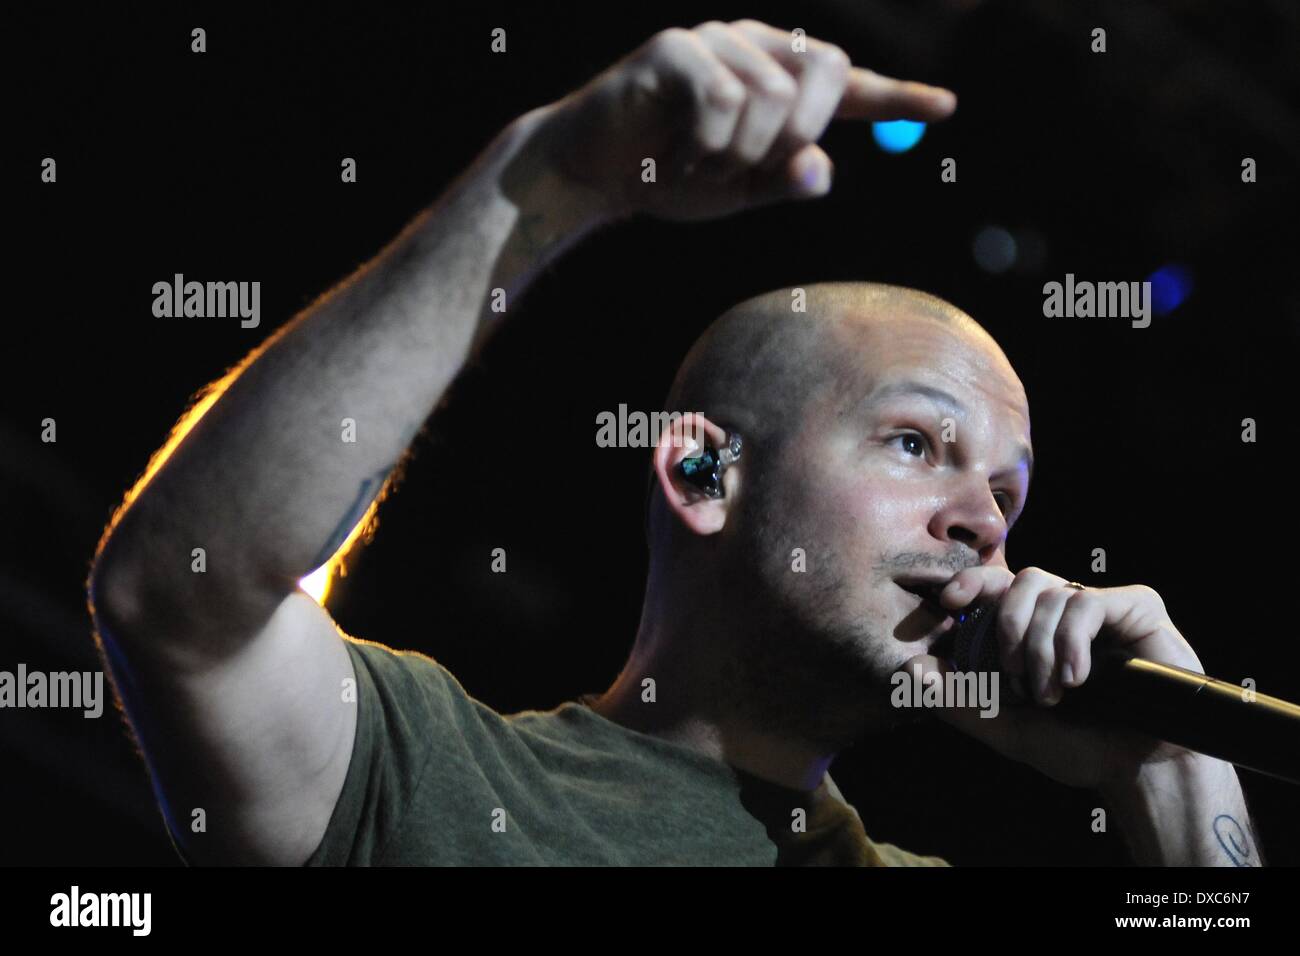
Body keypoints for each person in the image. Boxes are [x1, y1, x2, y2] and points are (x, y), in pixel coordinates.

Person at [87, 19, 1261, 866]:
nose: (985, 524)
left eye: (1007, 494)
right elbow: (184, 591)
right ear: (702, 471)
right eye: (916, 443)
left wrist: (1167, 764)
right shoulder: (426, 771)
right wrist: (546, 179)